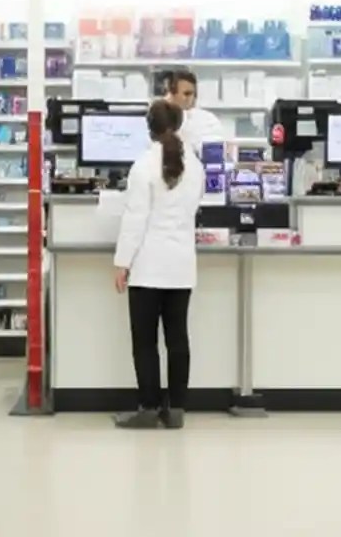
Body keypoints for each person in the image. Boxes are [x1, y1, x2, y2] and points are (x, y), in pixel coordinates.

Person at [112, 99, 205, 430]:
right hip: (181, 264)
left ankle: (149, 408)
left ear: (148, 127)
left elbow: (135, 219)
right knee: (178, 339)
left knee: (146, 341)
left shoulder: (143, 166)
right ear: (178, 125)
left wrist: (122, 262)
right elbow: (193, 209)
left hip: (149, 266)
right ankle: (177, 409)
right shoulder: (195, 166)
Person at [164, 69, 227, 151]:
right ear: (172, 95)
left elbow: (216, 150)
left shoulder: (209, 120)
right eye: (187, 94)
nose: (192, 98)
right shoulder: (159, 118)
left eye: (195, 94)